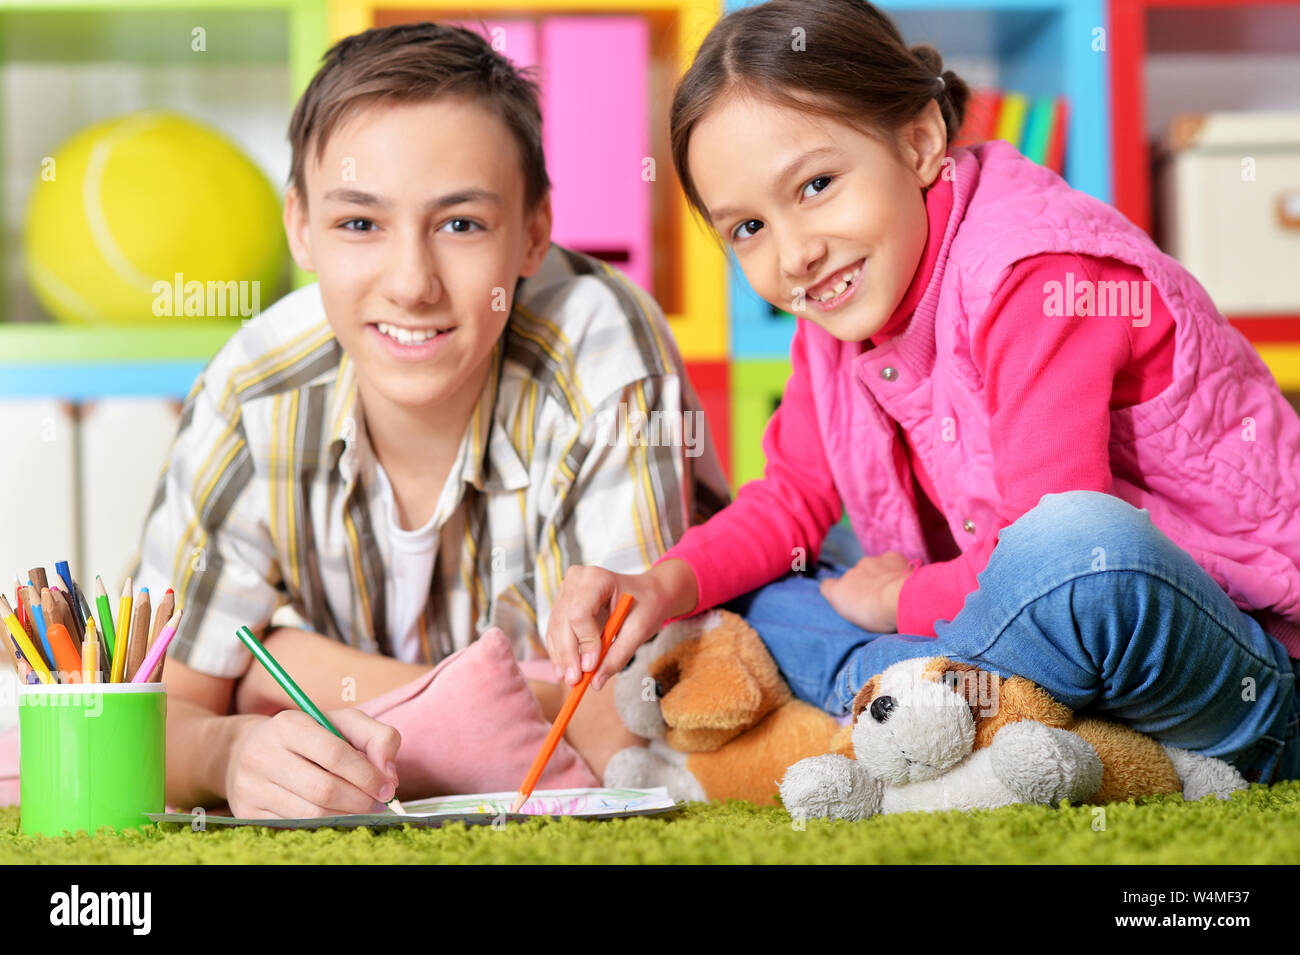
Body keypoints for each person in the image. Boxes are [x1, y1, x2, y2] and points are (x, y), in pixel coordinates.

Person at [545, 0, 1300, 785]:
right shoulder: (835, 314)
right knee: (761, 605)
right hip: (1015, 641)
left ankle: (915, 712)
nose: (795, 255)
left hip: (1234, 654)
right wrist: (659, 585)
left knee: (1076, 549)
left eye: (816, 185)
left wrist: (899, 599)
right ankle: (978, 726)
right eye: (748, 229)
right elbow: (790, 500)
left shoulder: (1037, 276)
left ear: (919, 141)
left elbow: (1044, 552)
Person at [129, 21, 729, 818]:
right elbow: (151, 717)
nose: (412, 284)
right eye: (359, 223)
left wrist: (284, 670)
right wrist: (231, 746)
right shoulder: (255, 389)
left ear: (533, 233)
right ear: (301, 227)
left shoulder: (602, 346)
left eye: (460, 224)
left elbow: (626, 717)